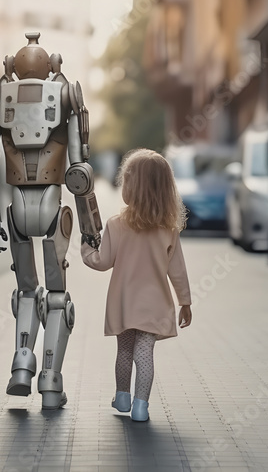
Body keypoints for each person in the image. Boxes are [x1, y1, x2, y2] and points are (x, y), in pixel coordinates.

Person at [81, 148, 192, 423]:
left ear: (129, 185)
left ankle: (122, 396)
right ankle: (141, 404)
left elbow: (103, 261)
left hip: (124, 301)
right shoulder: (169, 229)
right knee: (145, 354)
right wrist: (185, 302)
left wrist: (86, 249)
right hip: (154, 303)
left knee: (125, 351)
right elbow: (177, 270)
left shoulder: (116, 225)